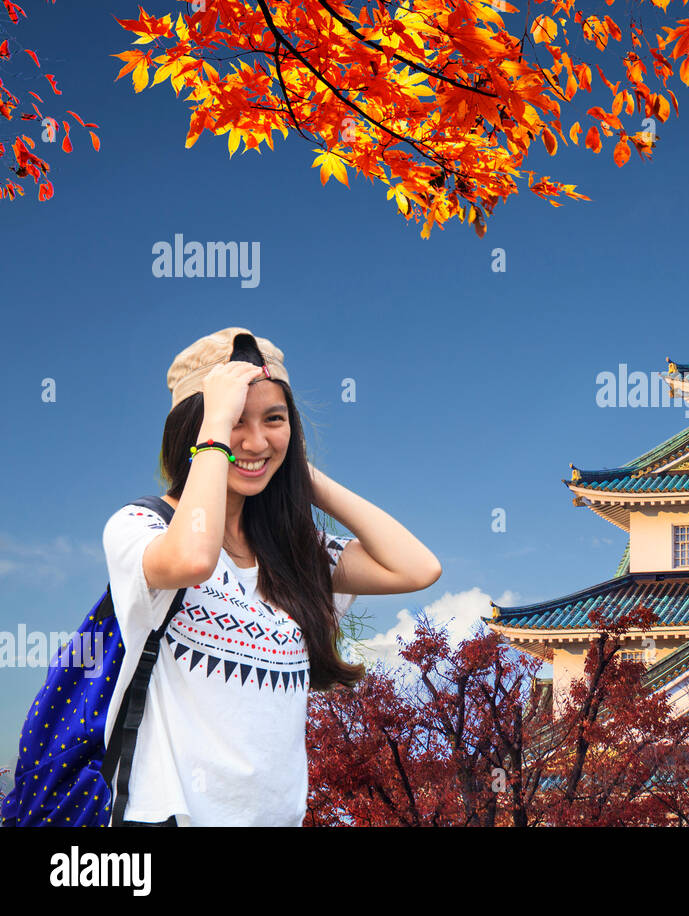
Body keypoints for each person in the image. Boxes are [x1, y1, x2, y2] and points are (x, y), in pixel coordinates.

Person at [102, 327, 441, 826]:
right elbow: (195, 559)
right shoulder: (143, 526)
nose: (255, 440)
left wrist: (299, 474)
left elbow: (417, 567)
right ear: (195, 430)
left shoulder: (297, 556)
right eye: (235, 420)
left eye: (274, 420)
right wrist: (215, 420)